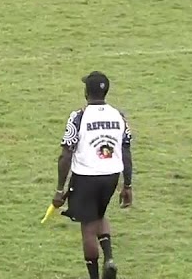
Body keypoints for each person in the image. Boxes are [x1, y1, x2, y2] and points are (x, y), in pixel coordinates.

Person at [53, 71, 133, 279]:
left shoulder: (78, 117)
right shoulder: (119, 116)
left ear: (86, 92)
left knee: (88, 227)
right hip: (111, 175)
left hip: (86, 177)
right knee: (100, 214)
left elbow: (66, 154)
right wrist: (127, 185)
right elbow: (125, 150)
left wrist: (60, 189)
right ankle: (109, 258)